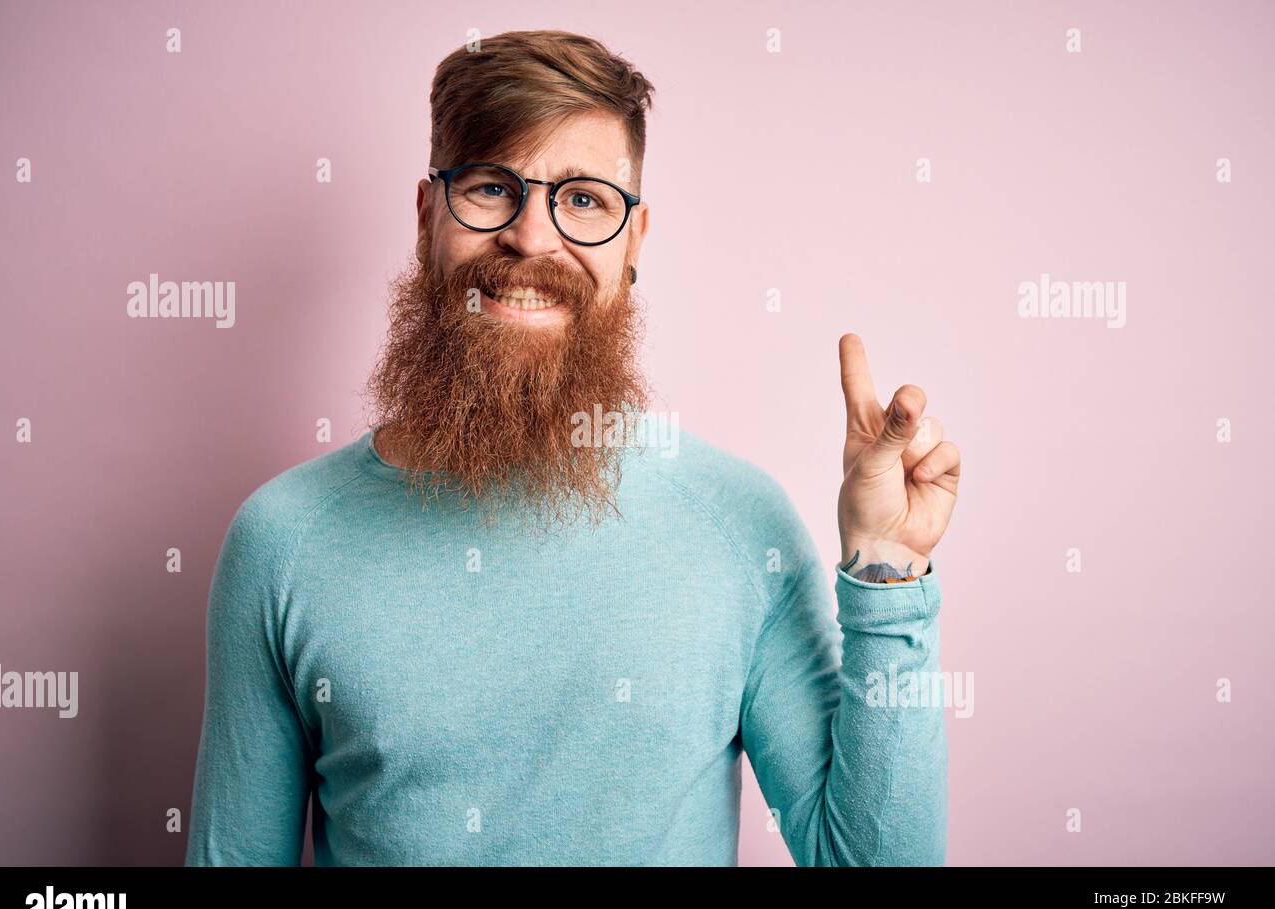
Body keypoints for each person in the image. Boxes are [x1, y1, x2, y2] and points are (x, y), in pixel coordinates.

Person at [184, 29, 961, 866]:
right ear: (426, 216)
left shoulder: (741, 524)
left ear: (635, 242)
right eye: (491, 187)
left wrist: (887, 575)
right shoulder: (283, 540)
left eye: (584, 199)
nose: (531, 239)